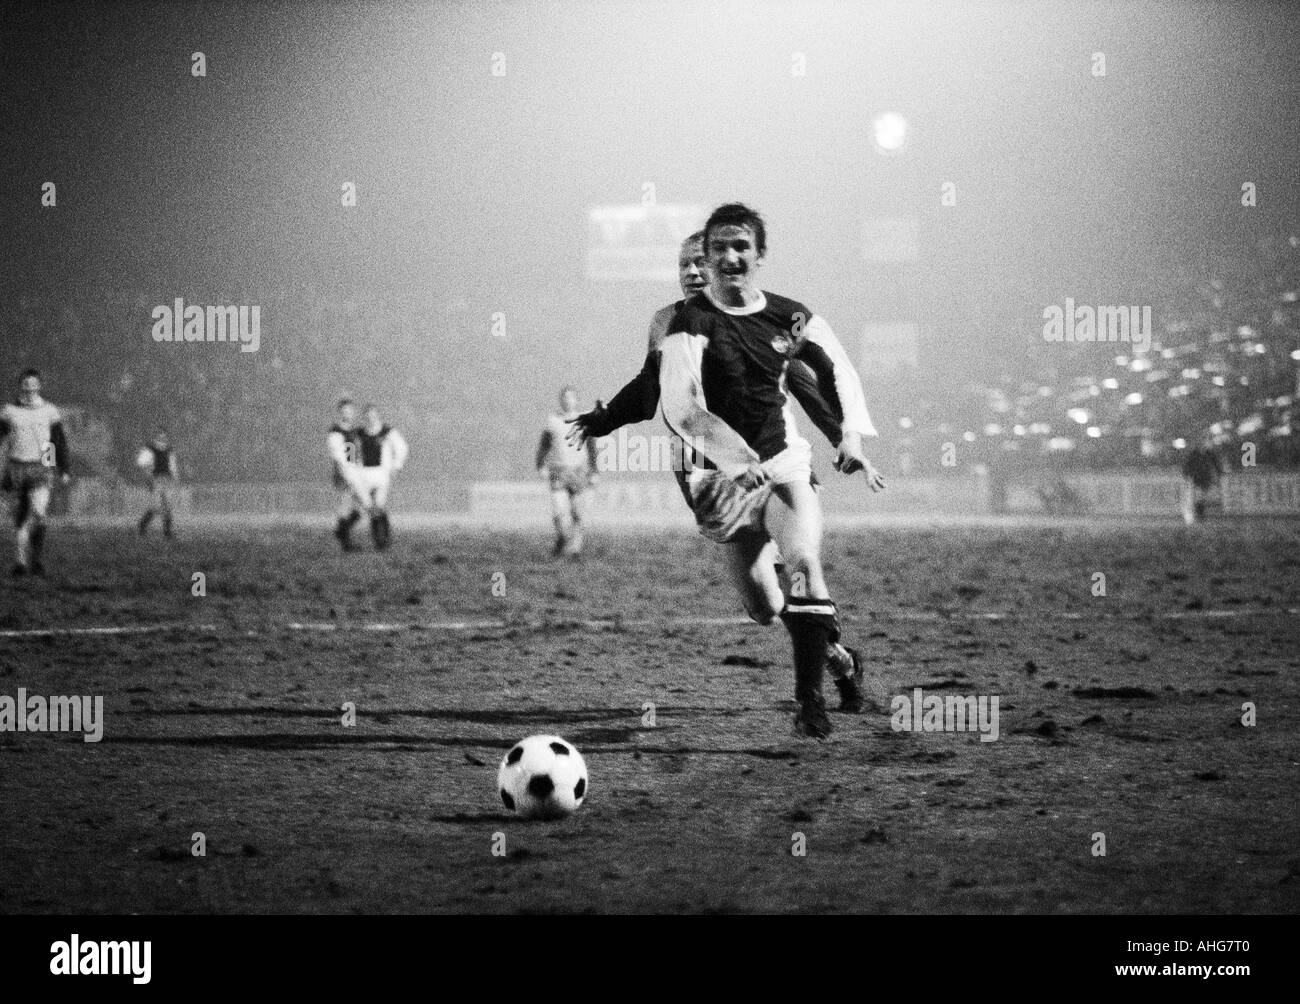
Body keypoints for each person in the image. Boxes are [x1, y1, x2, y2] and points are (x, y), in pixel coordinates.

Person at [657, 203, 885, 738]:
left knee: (804, 562)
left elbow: (834, 370)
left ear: (760, 255)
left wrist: (848, 435)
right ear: (707, 260)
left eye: (742, 247)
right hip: (721, 480)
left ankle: (809, 703)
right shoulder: (684, 324)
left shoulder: (792, 316)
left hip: (784, 468)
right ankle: (838, 658)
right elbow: (681, 407)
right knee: (763, 607)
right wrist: (733, 462)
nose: (731, 257)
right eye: (720, 249)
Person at [0, 369, 72, 576]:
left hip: (41, 466)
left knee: (39, 513)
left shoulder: (49, 410)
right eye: (26, 383)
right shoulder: (9, 410)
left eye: (33, 383)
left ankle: (36, 558)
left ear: (39, 386)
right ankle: (21, 562)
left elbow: (58, 441)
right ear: (20, 385)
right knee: (21, 517)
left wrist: (63, 468)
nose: (30, 386)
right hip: (16, 468)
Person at [536, 387, 598, 558]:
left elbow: (592, 447)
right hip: (558, 471)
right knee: (559, 511)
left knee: (579, 512)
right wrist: (541, 466)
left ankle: (575, 549)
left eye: (571, 398)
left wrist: (594, 471)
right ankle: (562, 538)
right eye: (564, 397)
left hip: (579, 472)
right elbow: (544, 446)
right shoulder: (553, 422)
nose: (567, 401)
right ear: (560, 401)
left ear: (576, 400)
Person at [351, 404, 408, 550]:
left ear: (377, 416)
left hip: (381, 474)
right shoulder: (358, 434)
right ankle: (379, 538)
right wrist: (351, 467)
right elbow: (349, 449)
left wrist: (396, 465)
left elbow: (401, 447)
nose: (370, 418)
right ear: (364, 417)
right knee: (369, 507)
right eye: (368, 416)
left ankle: (382, 539)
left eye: (373, 415)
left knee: (379, 504)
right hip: (363, 475)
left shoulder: (387, 432)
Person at [327, 398, 362, 550]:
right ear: (340, 412)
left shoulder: (352, 432)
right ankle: (345, 540)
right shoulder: (336, 432)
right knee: (346, 504)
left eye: (350, 411)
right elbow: (338, 456)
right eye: (345, 411)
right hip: (343, 472)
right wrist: (345, 473)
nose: (348, 414)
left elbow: (354, 453)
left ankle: (341, 531)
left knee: (359, 506)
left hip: (354, 471)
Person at [136, 429, 179, 538]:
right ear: (156, 437)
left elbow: (172, 467)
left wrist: (175, 478)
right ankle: (142, 526)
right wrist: (148, 473)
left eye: (164, 436)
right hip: (156, 480)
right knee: (156, 506)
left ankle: (167, 532)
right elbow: (141, 463)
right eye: (160, 436)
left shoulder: (169, 450)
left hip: (167, 480)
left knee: (167, 505)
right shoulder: (150, 449)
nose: (162, 438)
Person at [1181, 437, 1221, 524]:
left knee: (1201, 497)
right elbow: (1187, 465)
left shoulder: (1207, 454)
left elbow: (1215, 464)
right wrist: (1187, 474)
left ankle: (1199, 514)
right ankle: (1198, 515)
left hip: (1204, 478)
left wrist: (1218, 472)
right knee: (1198, 496)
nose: (1203, 445)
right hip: (1197, 478)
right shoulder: (1195, 454)